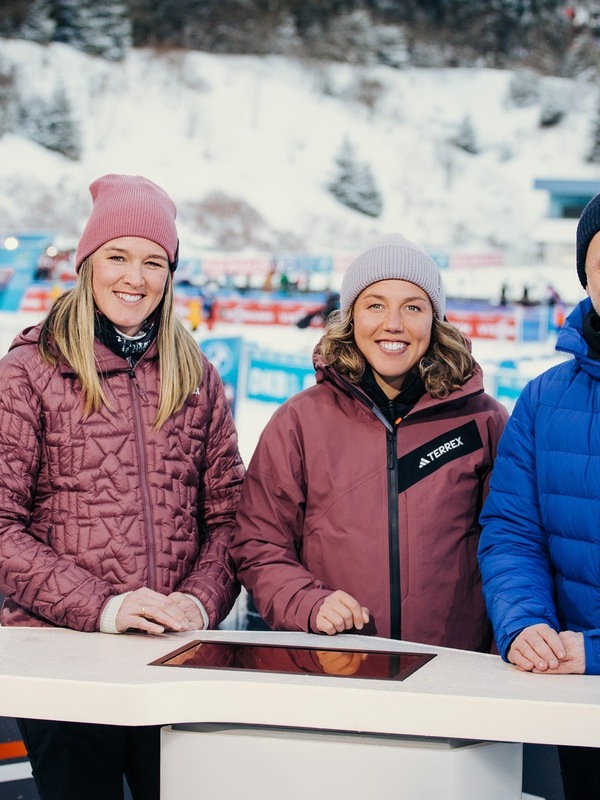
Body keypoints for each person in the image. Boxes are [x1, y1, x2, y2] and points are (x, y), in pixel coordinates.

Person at [0, 174, 245, 800]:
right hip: (63, 650)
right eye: (117, 257)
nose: (134, 277)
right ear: (86, 266)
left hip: (175, 650)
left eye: (153, 261)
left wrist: (197, 602)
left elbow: (229, 517)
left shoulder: (196, 374)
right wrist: (103, 607)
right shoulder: (29, 371)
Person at [231, 233, 508, 649]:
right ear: (351, 317)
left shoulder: (482, 420)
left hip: (452, 670)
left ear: (435, 321)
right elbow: (258, 543)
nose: (392, 323)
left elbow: (512, 543)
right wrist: (306, 603)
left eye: (412, 307)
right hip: (335, 667)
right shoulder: (300, 421)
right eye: (375, 304)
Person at [477, 191, 600, 799]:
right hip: (574, 695)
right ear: (586, 275)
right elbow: (512, 533)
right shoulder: (545, 398)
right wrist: (524, 623)